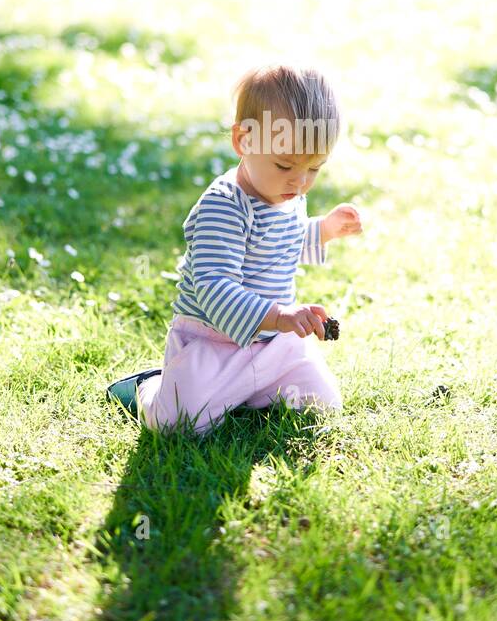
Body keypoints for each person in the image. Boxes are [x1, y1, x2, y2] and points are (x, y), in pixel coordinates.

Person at [107, 63, 363, 434]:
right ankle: (150, 387)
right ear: (244, 140)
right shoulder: (223, 206)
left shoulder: (286, 195)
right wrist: (279, 315)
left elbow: (281, 245)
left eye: (315, 168)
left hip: (275, 344)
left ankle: (252, 390)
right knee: (179, 424)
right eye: (285, 164)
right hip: (212, 345)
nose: (301, 181)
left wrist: (323, 230)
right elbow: (214, 287)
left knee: (322, 407)